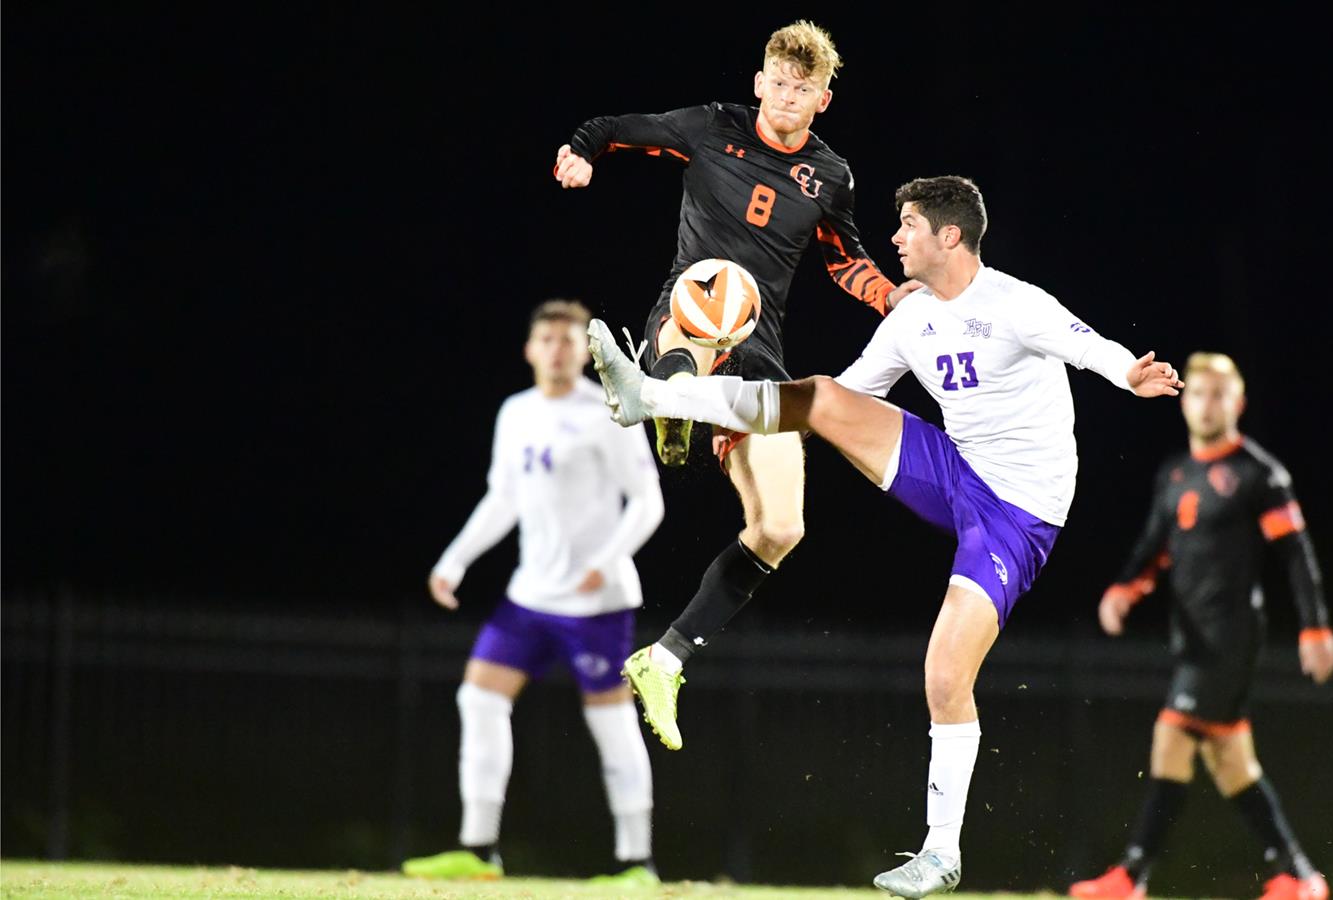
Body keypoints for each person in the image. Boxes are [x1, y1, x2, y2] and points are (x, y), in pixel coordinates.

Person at [588, 176, 1183, 898]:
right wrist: (749, 422)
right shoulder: (913, 319)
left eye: (907, 226)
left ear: (949, 236)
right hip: (954, 469)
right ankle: (649, 396)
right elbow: (837, 398)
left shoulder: (1015, 304)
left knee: (943, 675)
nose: (894, 238)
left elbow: (1087, 347)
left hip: (1018, 513)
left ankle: (940, 853)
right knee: (827, 397)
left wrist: (1132, 374)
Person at [552, 19, 918, 751]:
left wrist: (888, 296)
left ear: (824, 99)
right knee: (698, 305)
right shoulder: (711, 127)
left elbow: (844, 258)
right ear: (759, 83)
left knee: (782, 527)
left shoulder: (830, 176)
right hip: (688, 312)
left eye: (803, 88)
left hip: (761, 349)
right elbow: (616, 127)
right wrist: (580, 151)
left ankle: (665, 657)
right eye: (778, 82)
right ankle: (665, 396)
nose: (787, 97)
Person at [401, 300, 664, 886]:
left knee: (610, 721)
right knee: (479, 700)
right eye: (547, 339)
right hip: (530, 597)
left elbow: (649, 502)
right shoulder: (515, 413)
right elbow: (504, 498)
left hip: (597, 603)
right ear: (529, 349)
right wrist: (455, 560)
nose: (557, 349)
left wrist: (605, 560)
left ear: (585, 352)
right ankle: (478, 849)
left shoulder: (609, 411)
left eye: (569, 340)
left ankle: (636, 862)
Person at [1068, 352, 1333, 900]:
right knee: (1232, 763)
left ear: (1236, 403)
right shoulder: (1175, 473)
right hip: (1191, 640)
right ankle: (1298, 876)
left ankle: (1132, 876)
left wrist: (1315, 629)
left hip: (1231, 637)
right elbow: (1154, 547)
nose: (1205, 403)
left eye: (1218, 393)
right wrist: (1124, 587)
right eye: (1196, 392)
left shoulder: (1258, 474)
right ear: (1183, 399)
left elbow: (1296, 555)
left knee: (1172, 736)